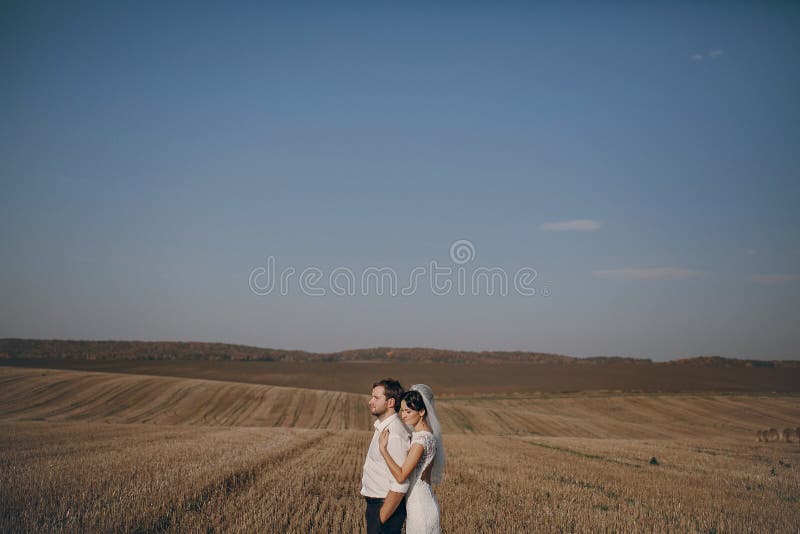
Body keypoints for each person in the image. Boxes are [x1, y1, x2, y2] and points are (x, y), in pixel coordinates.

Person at [379, 384, 445, 534]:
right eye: (402, 411)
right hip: (423, 503)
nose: (403, 415)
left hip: (420, 509)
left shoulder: (420, 441)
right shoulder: (428, 435)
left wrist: (383, 450)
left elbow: (402, 476)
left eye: (408, 411)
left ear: (422, 411)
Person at [361, 378, 412, 534]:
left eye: (376, 398)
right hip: (376, 504)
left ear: (390, 402)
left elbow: (401, 483)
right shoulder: (382, 428)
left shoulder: (395, 434)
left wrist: (381, 517)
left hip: (385, 507)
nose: (370, 401)